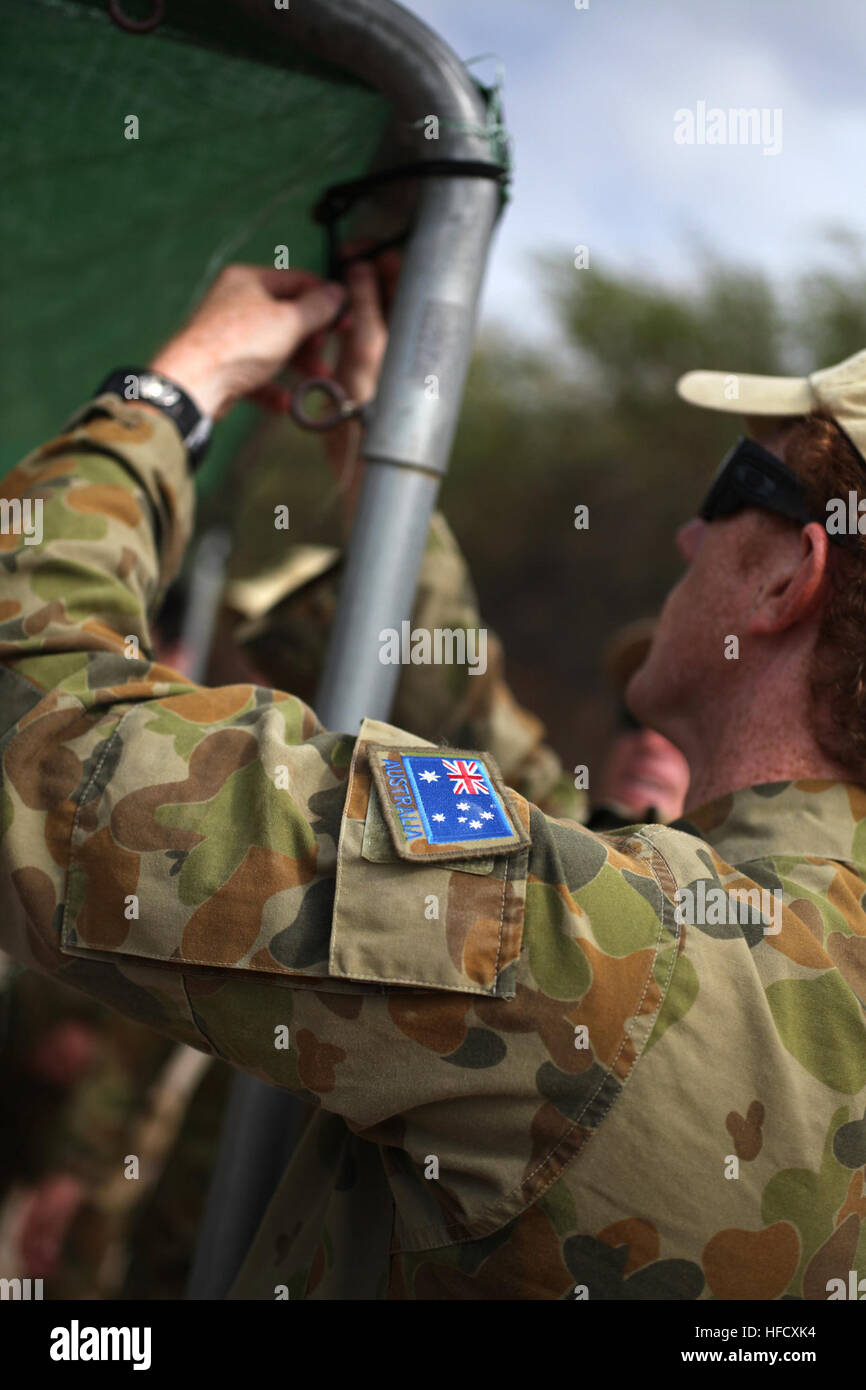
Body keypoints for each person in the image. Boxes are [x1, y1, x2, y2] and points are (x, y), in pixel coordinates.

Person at [2, 261, 866, 1302]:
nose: (688, 533)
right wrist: (382, 448)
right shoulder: (759, 951)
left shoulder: (621, 956)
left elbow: (43, 729)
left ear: (787, 577)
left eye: (733, 486)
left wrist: (170, 394)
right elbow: (525, 786)